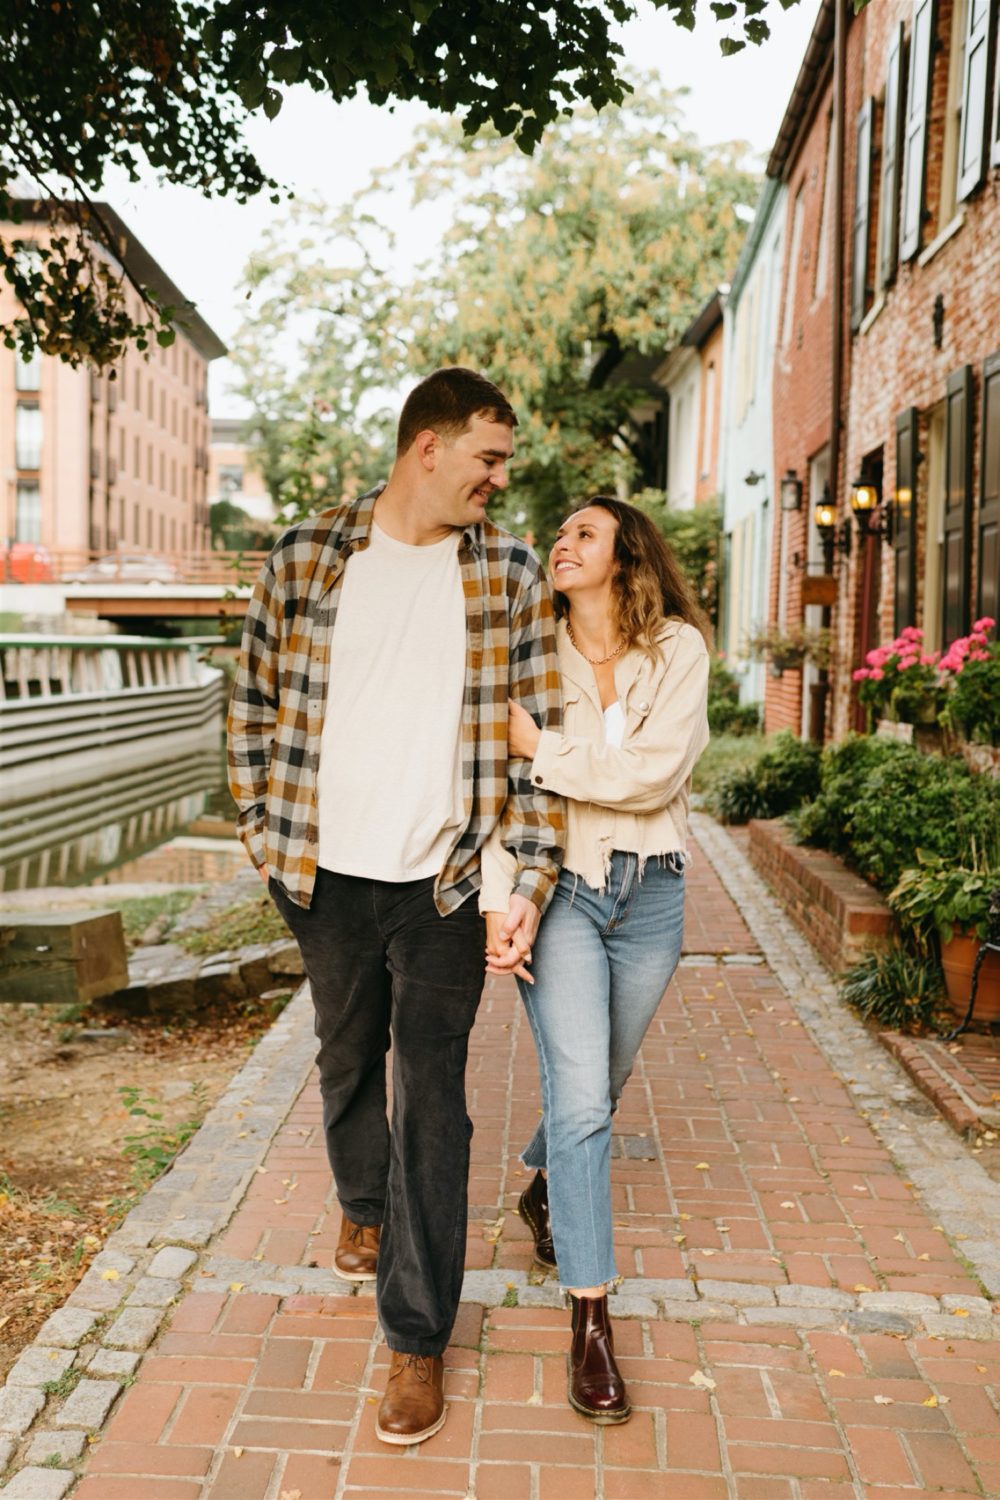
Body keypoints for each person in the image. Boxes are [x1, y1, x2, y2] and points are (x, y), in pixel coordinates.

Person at [227, 367, 565, 1445]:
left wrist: (532, 878)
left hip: (445, 884)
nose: (500, 482)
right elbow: (248, 704)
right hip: (321, 874)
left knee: (434, 1093)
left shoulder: (506, 570)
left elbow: (539, 739)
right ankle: (362, 1205)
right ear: (429, 447)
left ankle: (415, 1338)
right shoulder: (305, 558)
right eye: (489, 458)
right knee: (343, 1057)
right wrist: (263, 841)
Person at [482, 496, 709, 1424]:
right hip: (563, 891)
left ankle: (544, 1187)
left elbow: (659, 772)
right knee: (581, 1097)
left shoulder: (679, 650)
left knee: (601, 1083)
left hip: (653, 893)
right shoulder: (526, 654)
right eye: (559, 534)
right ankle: (591, 1321)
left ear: (626, 555)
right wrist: (503, 903)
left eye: (584, 533)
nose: (561, 544)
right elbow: (497, 790)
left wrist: (545, 749)